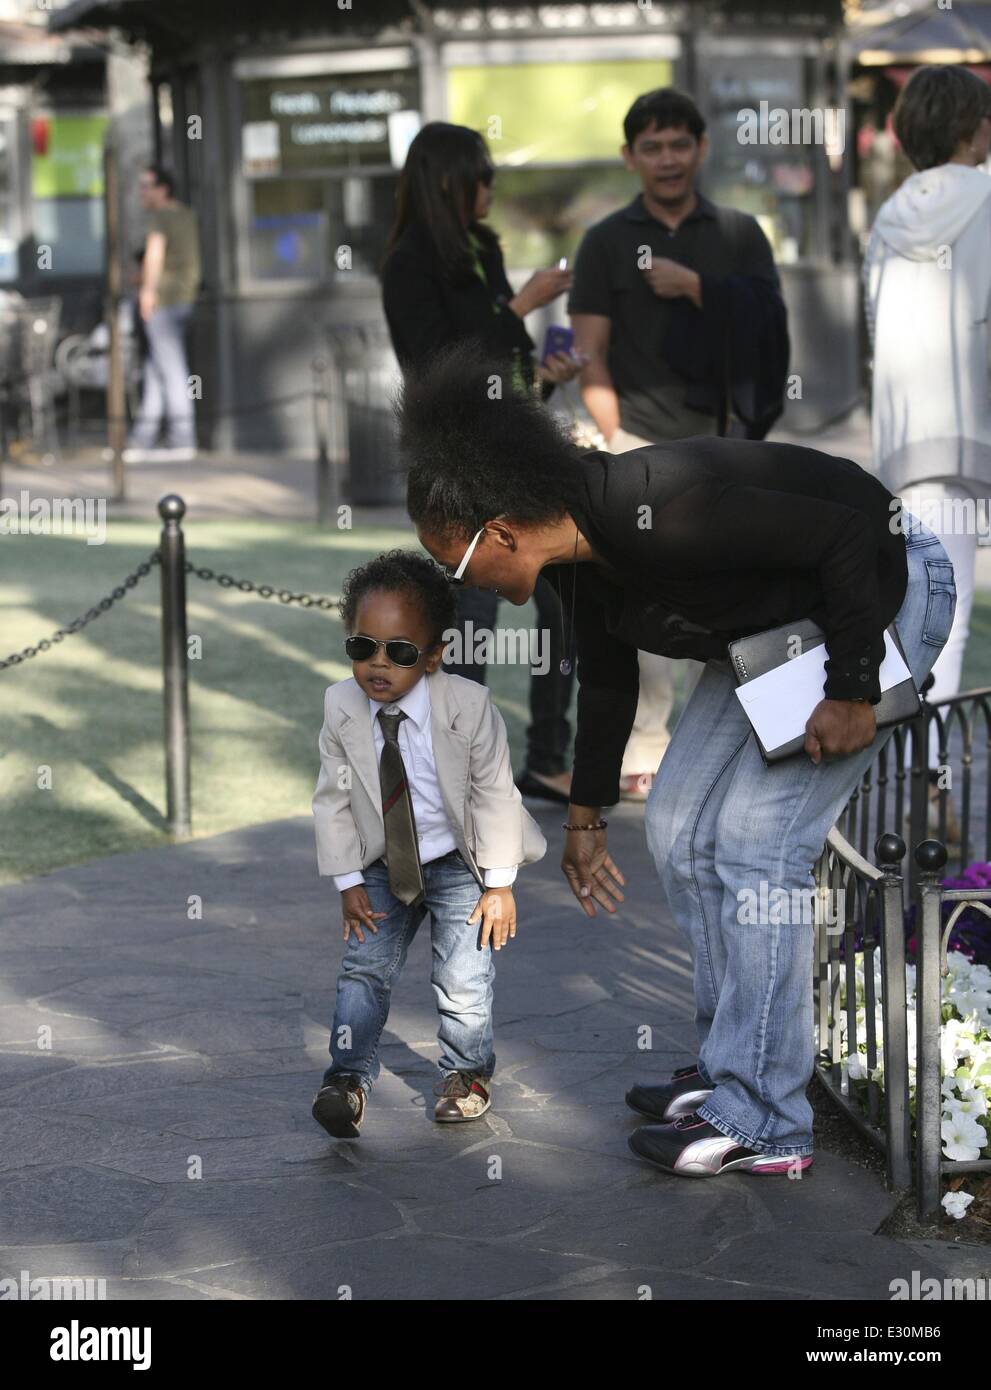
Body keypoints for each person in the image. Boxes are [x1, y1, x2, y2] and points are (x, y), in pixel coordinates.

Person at [397, 342, 955, 1177]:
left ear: (501, 531)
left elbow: (848, 531)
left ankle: (767, 1118)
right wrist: (584, 819)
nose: (456, 583)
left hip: (881, 590)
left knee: (757, 845)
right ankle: (732, 1062)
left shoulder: (666, 504)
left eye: (457, 564)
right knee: (678, 826)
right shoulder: (576, 552)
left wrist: (851, 690)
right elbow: (607, 676)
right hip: (780, 630)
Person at [569, 88, 789, 801]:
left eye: (678, 143)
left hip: (720, 448)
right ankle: (648, 743)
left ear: (700, 148)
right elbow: (588, 353)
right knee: (640, 599)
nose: (666, 159)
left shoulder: (737, 232)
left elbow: (768, 330)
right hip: (634, 442)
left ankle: (729, 738)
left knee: (728, 594)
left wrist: (699, 286)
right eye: (651, 146)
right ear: (630, 156)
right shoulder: (605, 240)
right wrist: (612, 439)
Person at [310, 550, 547, 1137]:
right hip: (380, 861)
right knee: (363, 968)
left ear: (436, 654)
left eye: (400, 651)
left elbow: (494, 795)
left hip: (459, 862)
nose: (378, 665)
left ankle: (466, 1073)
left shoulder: (468, 707)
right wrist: (347, 883)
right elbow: (333, 798)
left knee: (463, 975)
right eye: (362, 648)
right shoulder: (341, 706)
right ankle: (346, 1080)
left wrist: (499, 884)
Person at [381, 121, 584, 807]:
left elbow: (500, 363)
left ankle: (549, 757)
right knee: (469, 623)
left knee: (564, 600)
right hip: (458, 466)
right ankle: (456, 773)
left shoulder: (482, 248)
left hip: (520, 452)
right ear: (446, 181)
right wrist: (518, 306)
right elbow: (443, 365)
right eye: (480, 175)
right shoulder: (411, 261)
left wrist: (544, 379)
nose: (491, 188)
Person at [864, 64, 991, 838]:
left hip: (907, 442)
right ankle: (932, 785)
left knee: (922, 618)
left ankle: (920, 777)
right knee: (953, 625)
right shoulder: (985, 200)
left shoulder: (887, 215)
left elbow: (874, 332)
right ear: (973, 127)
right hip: (973, 435)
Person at [123, 165, 200, 462]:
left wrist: (147, 292)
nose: (142, 192)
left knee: (172, 373)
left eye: (147, 186)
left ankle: (182, 440)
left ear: (163, 188)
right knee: (156, 371)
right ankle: (142, 441)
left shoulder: (161, 218)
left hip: (164, 302)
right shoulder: (186, 215)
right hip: (183, 300)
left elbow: (154, 257)